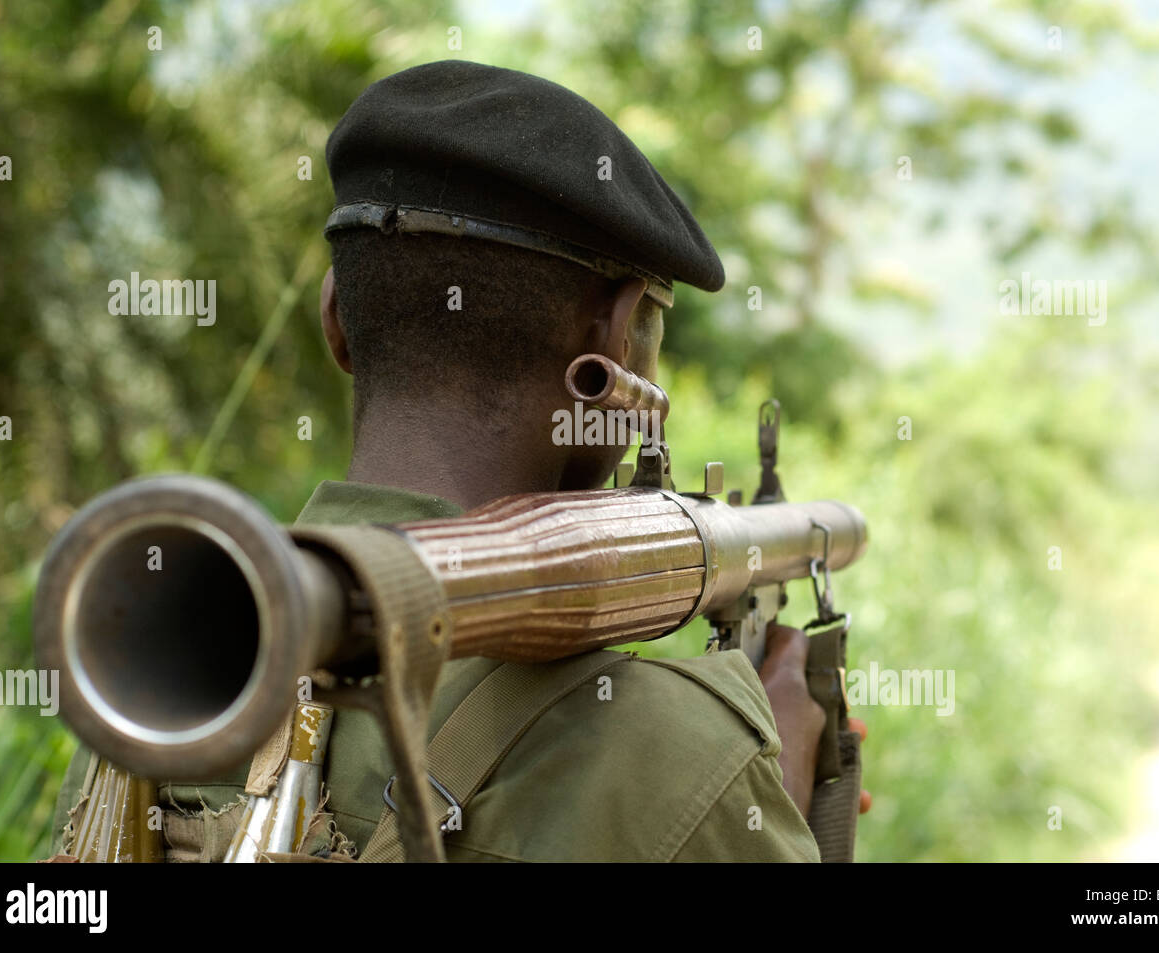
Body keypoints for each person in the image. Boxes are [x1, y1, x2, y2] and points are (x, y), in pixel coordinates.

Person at [51, 59, 868, 862]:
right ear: (615, 339)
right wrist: (775, 780)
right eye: (654, 320)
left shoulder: (148, 686)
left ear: (336, 320)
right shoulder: (684, 763)